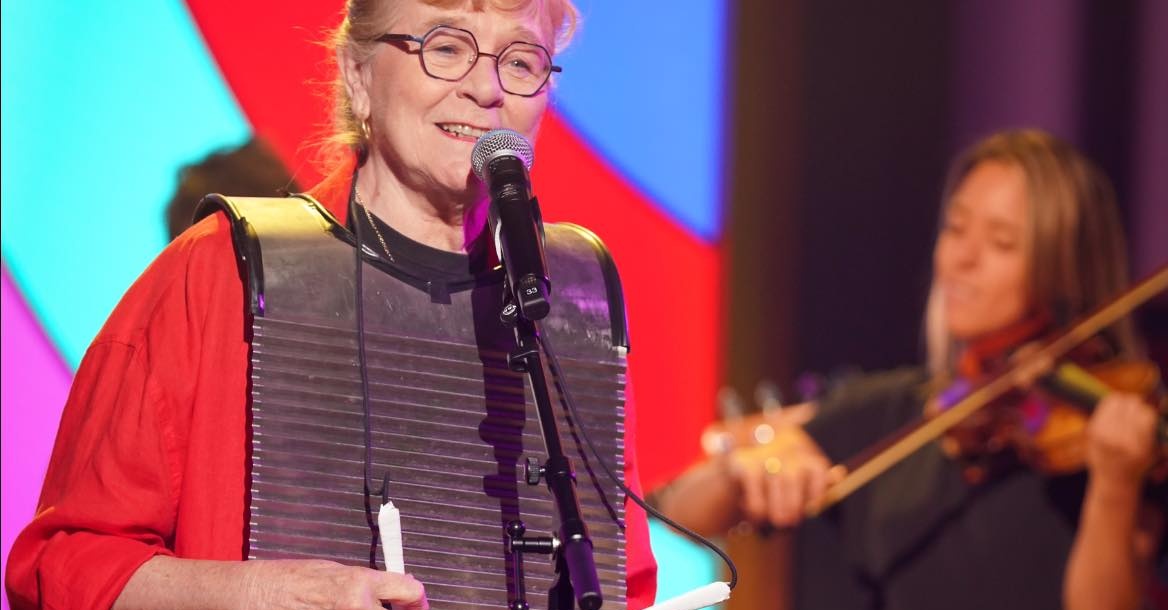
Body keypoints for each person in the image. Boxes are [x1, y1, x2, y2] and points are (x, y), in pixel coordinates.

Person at [4, 1, 658, 609]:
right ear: (358, 75)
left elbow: (620, 580)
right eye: (448, 48)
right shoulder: (219, 274)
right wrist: (261, 592)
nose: (486, 90)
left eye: (520, 61)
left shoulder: (569, 308)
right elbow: (63, 568)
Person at [659, 130, 1166, 610]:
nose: (961, 258)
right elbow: (673, 513)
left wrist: (1115, 487)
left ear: (1067, 272)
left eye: (1002, 242)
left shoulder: (1108, 445)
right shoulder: (890, 412)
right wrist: (739, 475)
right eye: (956, 227)